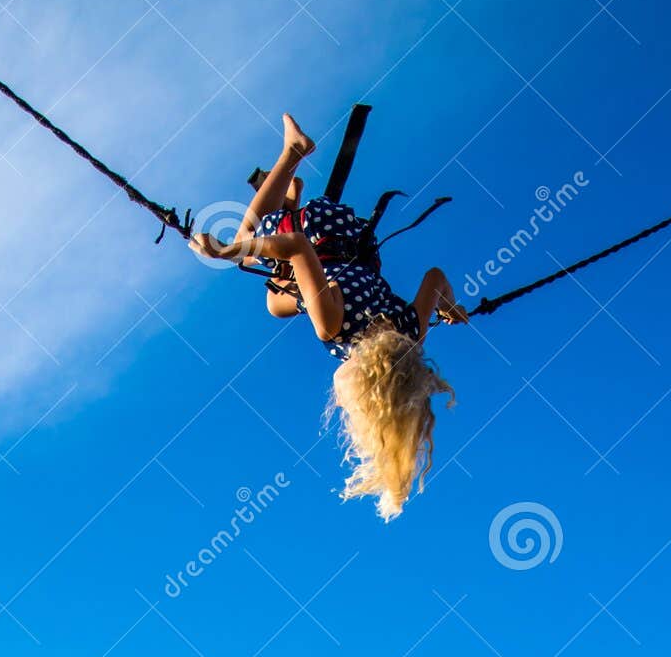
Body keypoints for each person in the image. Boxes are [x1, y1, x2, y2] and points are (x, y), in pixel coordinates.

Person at [190, 113, 468, 520]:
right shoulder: (333, 327)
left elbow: (436, 277)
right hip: (322, 238)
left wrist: (451, 307)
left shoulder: (411, 334)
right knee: (244, 245)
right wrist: (226, 252)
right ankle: (293, 154)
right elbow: (297, 247)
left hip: (356, 246)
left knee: (275, 304)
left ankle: (290, 195)